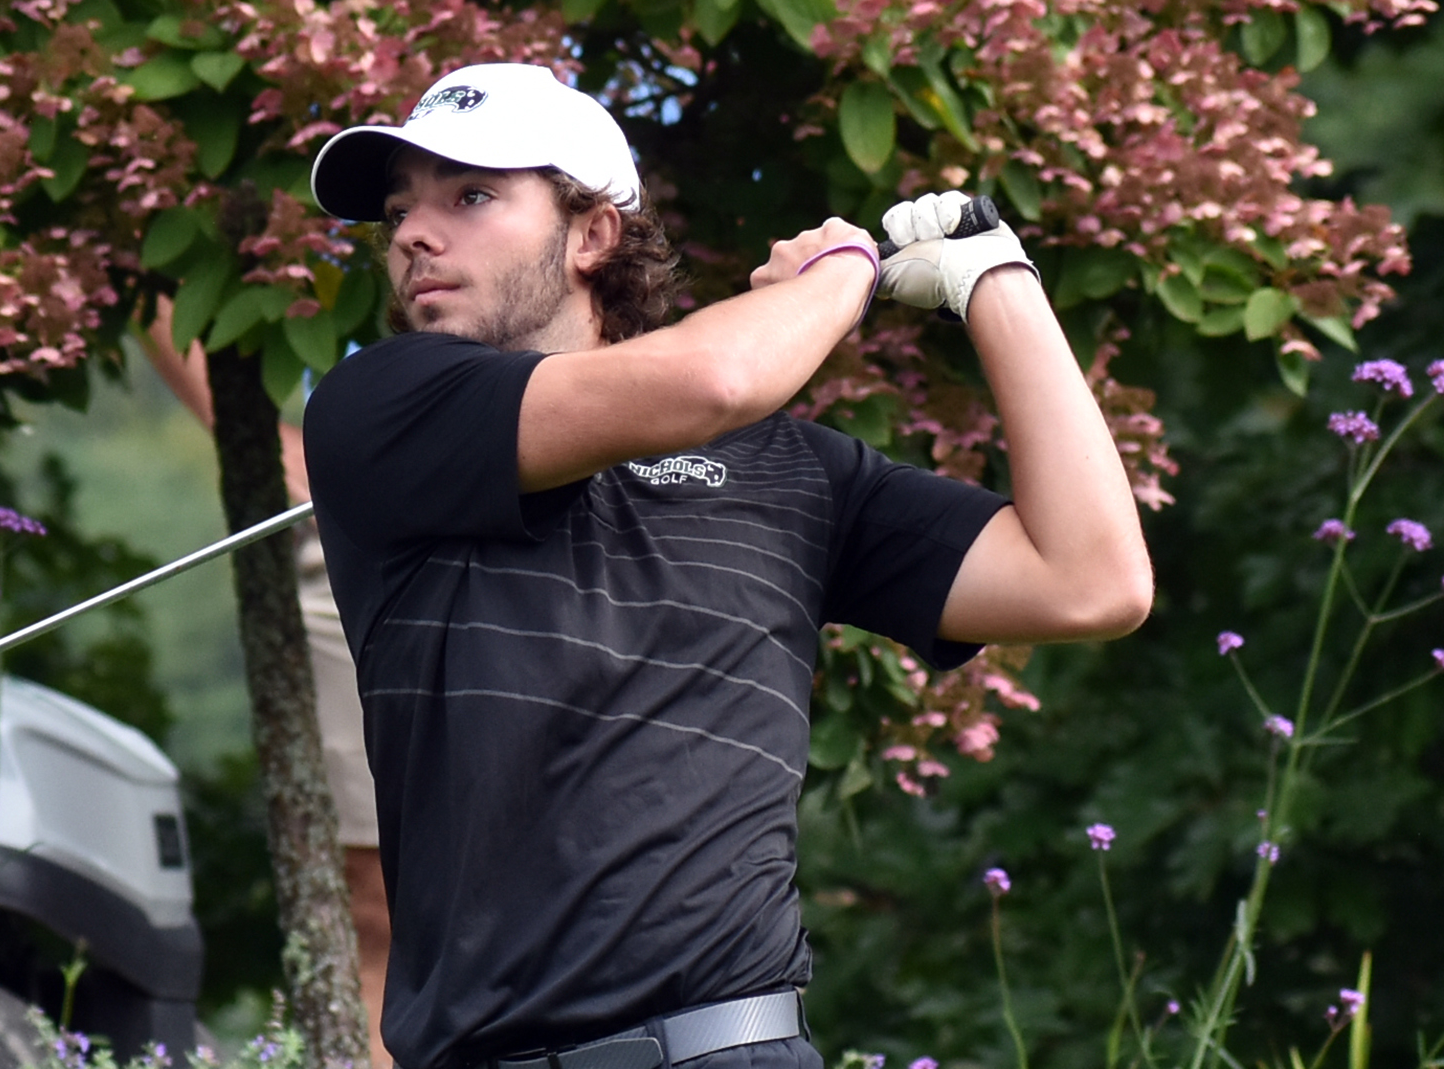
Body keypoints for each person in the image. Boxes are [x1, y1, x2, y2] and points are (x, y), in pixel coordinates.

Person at [301, 62, 1153, 1069]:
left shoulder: (794, 470)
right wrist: (845, 269)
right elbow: (719, 374)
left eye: (471, 196)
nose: (412, 233)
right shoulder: (383, 407)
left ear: (591, 233)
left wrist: (995, 280)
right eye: (400, 209)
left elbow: (1095, 579)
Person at [140, 308, 395, 1068]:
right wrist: (258, 439)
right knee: (378, 897)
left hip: (575, 491)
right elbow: (135, 249)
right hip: (358, 505)